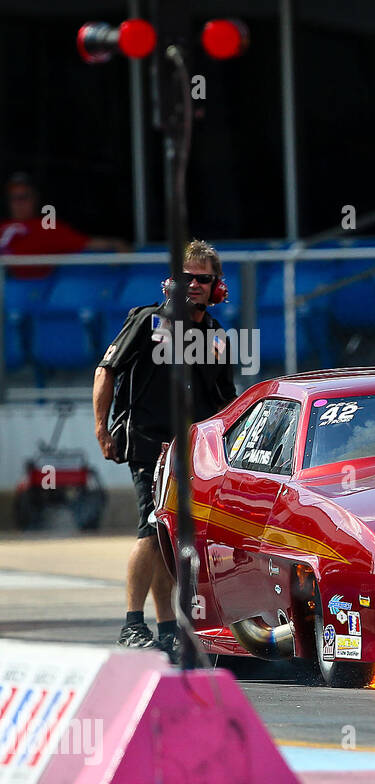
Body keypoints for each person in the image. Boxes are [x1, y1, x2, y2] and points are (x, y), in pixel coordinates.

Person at [92, 240, 237, 655]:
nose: (194, 285)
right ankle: (132, 624)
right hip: (147, 444)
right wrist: (102, 429)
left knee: (167, 537)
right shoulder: (148, 321)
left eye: (203, 279)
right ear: (170, 282)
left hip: (190, 452)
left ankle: (168, 626)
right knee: (151, 531)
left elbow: (225, 403)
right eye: (186, 277)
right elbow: (107, 371)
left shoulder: (218, 338)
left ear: (217, 287)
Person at [0, 172, 127, 279]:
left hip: (29, 290)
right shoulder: (3, 225)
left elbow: (88, 243)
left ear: (35, 199)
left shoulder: (47, 227)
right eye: (13, 198)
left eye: (23, 197)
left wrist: (117, 243)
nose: (18, 203)